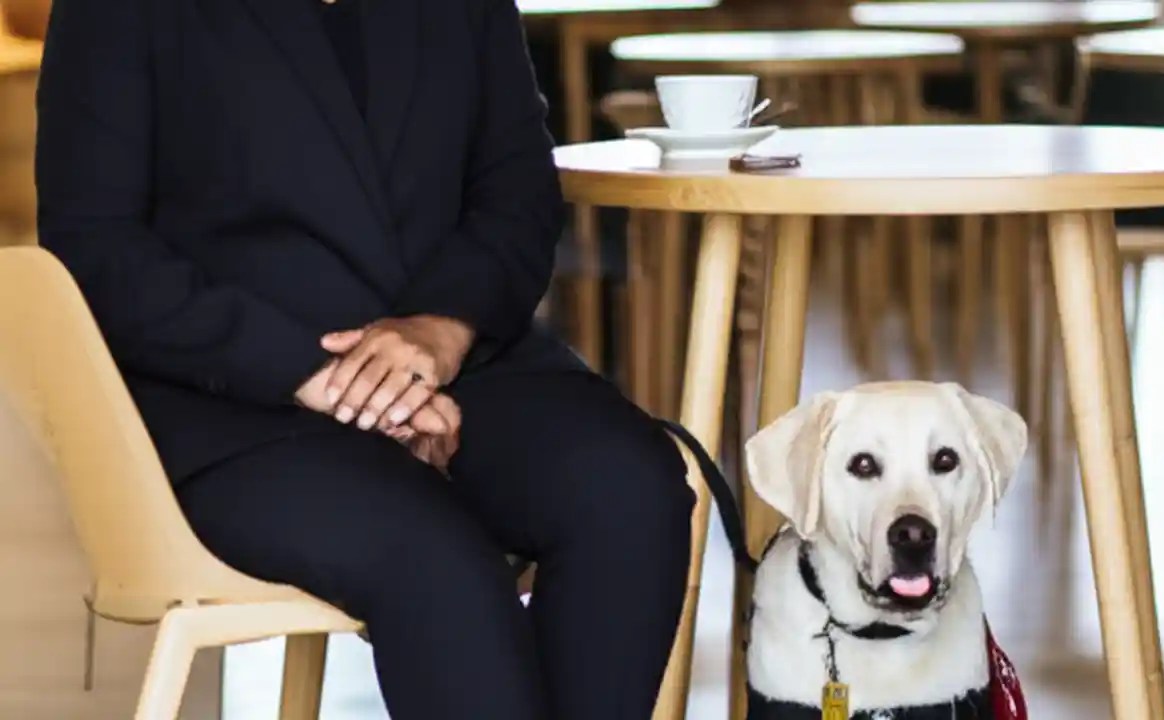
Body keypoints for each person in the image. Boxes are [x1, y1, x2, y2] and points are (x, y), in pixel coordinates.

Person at [35, 0, 694, 717]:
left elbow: (516, 191)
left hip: (460, 363)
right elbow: (96, 246)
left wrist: (440, 331)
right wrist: (318, 378)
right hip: (228, 399)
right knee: (434, 560)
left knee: (628, 488)